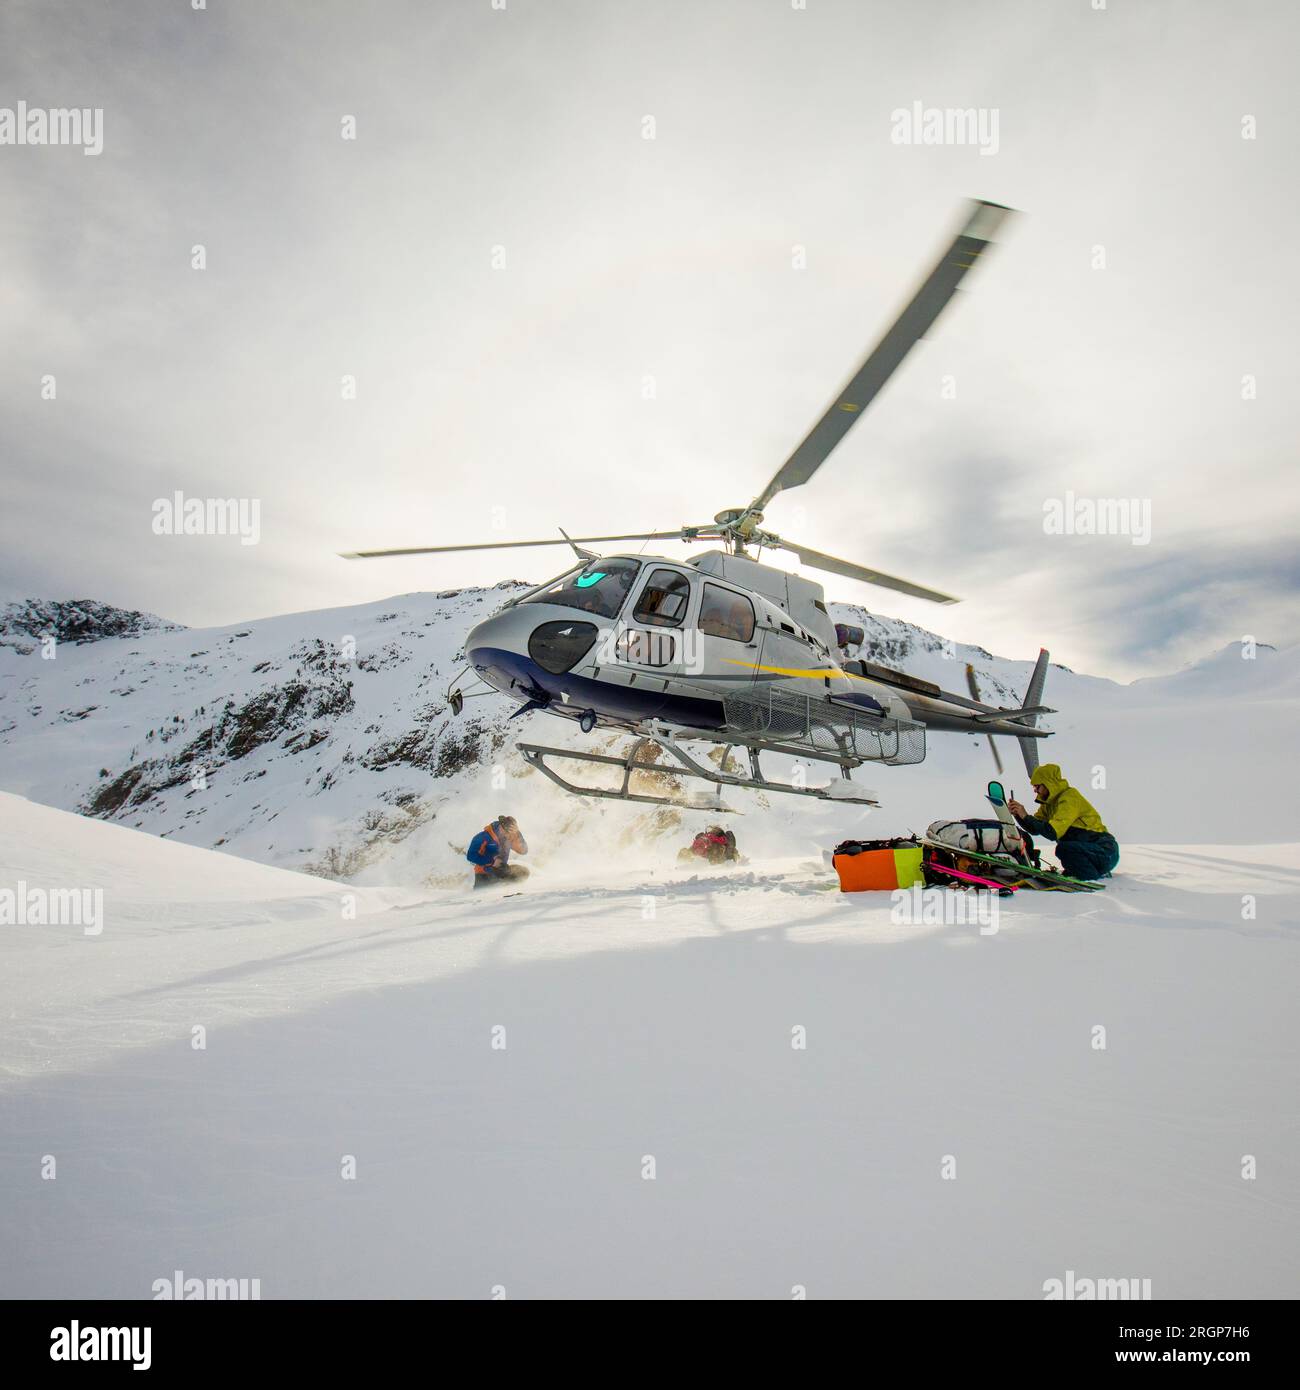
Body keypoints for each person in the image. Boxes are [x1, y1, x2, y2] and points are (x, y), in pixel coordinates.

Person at [1008, 764, 1119, 881]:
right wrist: (1019, 815)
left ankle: (1089, 877)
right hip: (1087, 851)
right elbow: (1035, 829)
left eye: (1037, 786)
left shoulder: (1069, 798)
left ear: (1048, 784)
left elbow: (1052, 832)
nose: (1035, 790)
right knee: (1066, 848)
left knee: (1064, 849)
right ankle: (1081, 873)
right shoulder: (1049, 804)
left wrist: (1025, 815)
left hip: (1105, 850)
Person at [467, 815, 530, 888]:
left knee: (524, 872)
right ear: (501, 827)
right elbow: (470, 856)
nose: (508, 836)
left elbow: (524, 851)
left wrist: (518, 835)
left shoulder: (510, 836)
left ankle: (506, 889)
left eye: (511, 833)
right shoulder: (484, 837)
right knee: (485, 889)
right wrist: (492, 862)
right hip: (484, 873)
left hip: (502, 870)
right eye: (507, 832)